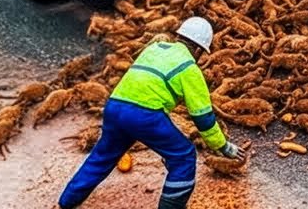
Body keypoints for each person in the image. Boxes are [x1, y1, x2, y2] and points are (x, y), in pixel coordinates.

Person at [57, 17, 244, 209]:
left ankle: (67, 201)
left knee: (102, 156)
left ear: (179, 36)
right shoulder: (190, 68)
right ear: (198, 50)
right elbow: (203, 117)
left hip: (114, 106)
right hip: (144, 115)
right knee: (184, 155)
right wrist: (222, 146)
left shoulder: (154, 49)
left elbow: (145, 84)